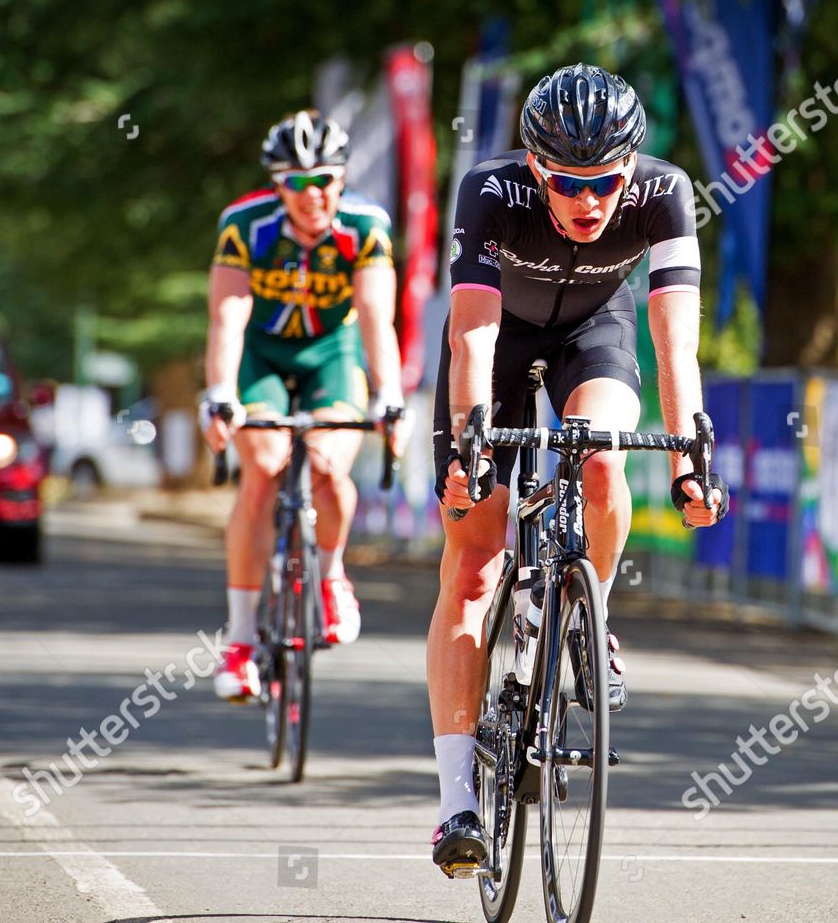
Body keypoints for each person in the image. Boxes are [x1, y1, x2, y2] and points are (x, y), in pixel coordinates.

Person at [427, 64, 724, 873]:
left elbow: (675, 342)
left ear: (631, 167)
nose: (588, 202)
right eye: (566, 183)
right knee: (473, 565)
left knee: (599, 456)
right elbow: (472, 336)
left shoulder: (665, 191)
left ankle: (586, 611)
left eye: (605, 183)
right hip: (496, 348)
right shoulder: (491, 192)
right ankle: (456, 803)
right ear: (535, 168)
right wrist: (468, 447)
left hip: (596, 333)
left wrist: (691, 457)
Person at [199, 110, 407, 702]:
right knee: (263, 470)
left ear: (341, 180)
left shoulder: (366, 227)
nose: (311, 194)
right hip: (260, 354)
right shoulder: (245, 225)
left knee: (328, 465)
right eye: (295, 183)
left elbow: (376, 318)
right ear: (277, 186)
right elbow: (228, 316)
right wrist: (219, 392)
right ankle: (241, 640)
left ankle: (331, 573)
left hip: (331, 352)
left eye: (323, 180)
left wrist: (390, 396)